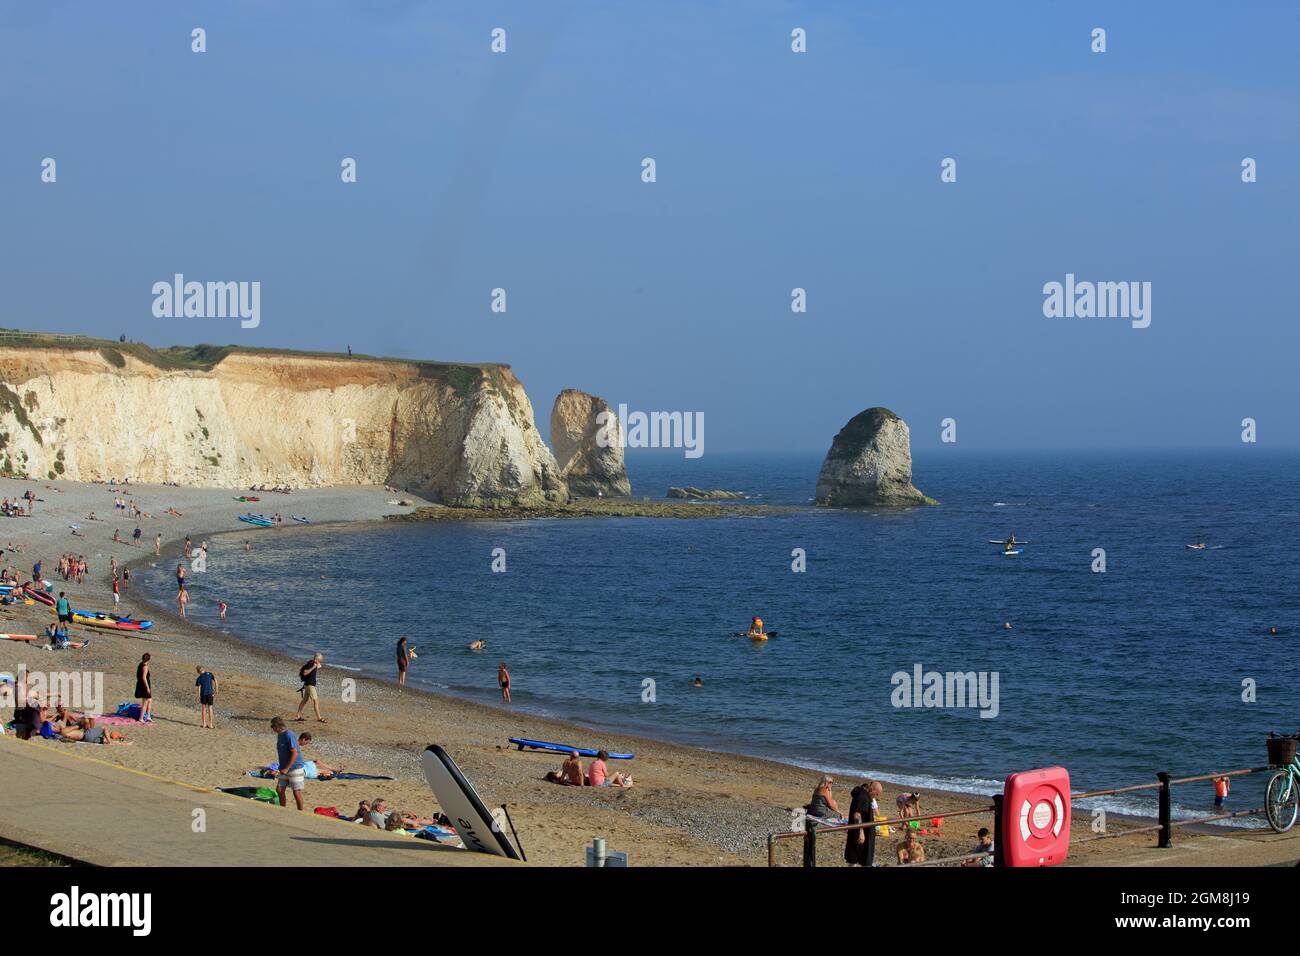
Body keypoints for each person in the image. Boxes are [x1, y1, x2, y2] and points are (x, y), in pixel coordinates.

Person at [270, 717, 306, 810]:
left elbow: (295, 752)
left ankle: (301, 813)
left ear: (278, 726)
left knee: (296, 792)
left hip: (295, 768)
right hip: (284, 768)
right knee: (279, 789)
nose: (272, 728)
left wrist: (287, 768)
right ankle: (283, 809)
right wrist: (283, 768)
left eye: (272, 726)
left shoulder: (289, 735)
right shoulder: (280, 735)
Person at [845, 780, 881, 866]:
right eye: (877, 794)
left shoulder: (861, 795)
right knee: (862, 858)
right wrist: (861, 832)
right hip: (862, 832)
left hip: (858, 830)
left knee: (854, 858)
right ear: (872, 789)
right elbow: (857, 815)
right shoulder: (864, 797)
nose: (877, 796)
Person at [295, 653, 325, 722]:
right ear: (317, 659)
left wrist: (317, 666)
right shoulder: (311, 663)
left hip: (307, 685)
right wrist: (313, 667)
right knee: (316, 701)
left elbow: (319, 666)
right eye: (320, 660)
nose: (320, 662)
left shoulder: (313, 663)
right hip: (310, 685)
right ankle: (319, 718)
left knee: (304, 701)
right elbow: (305, 673)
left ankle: (297, 716)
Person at [195, 665, 217, 729]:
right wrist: (216, 689)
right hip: (210, 693)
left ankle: (204, 723)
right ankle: (210, 724)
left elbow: (198, 688)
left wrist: (199, 696)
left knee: (203, 708)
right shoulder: (209, 674)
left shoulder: (199, 678)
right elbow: (215, 680)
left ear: (198, 672)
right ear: (204, 669)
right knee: (210, 708)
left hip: (203, 694)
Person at [135, 653, 153, 722]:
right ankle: (141, 718)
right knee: (145, 702)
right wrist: (147, 688)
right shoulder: (145, 666)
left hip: (142, 684)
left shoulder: (140, 664)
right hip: (144, 685)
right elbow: (144, 677)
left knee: (150, 700)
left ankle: (148, 716)